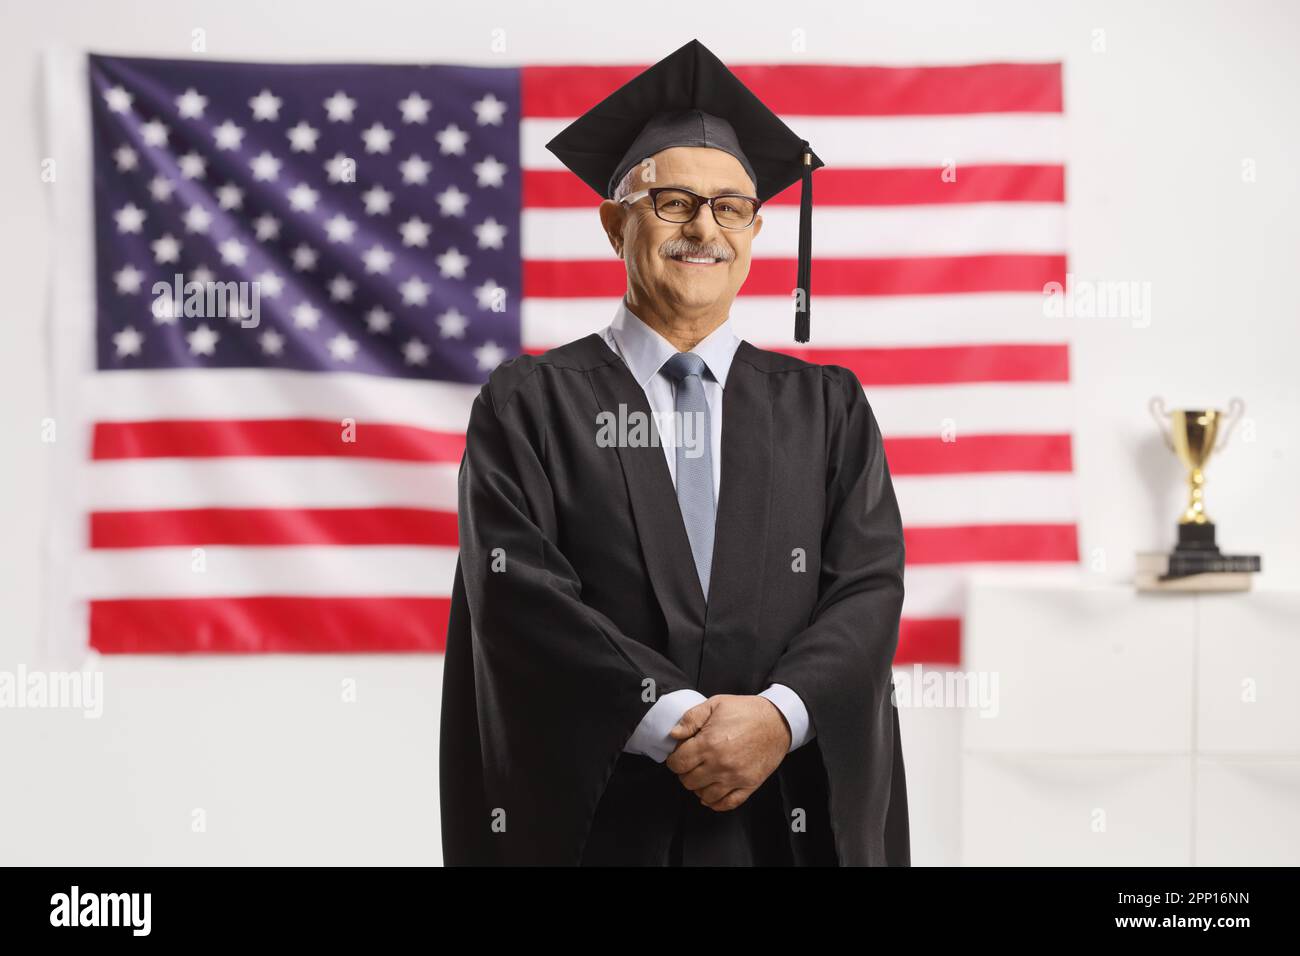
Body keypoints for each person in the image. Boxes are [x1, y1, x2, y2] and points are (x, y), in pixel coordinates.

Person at [439, 38, 909, 866]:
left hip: (781, 816)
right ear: (614, 221)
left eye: (730, 207)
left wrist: (778, 716)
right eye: (672, 203)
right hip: (605, 818)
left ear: (758, 229)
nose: (704, 228)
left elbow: (867, 590)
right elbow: (519, 600)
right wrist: (671, 723)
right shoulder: (531, 404)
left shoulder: (826, 408)